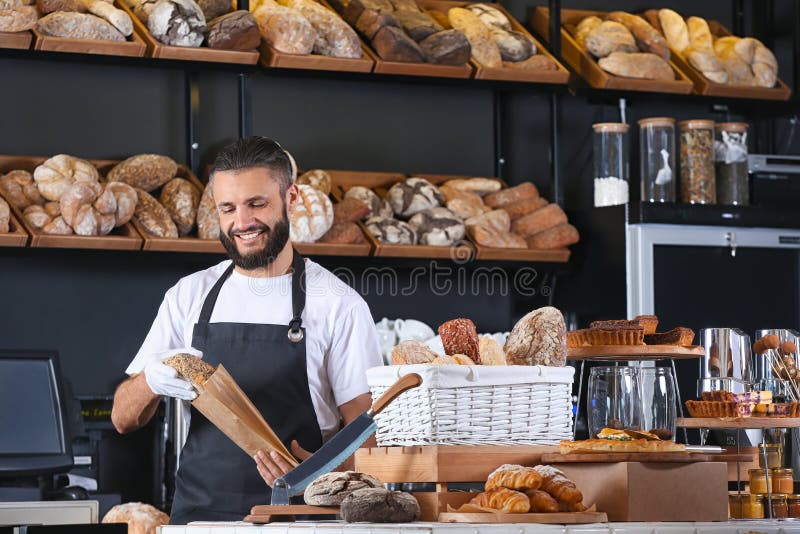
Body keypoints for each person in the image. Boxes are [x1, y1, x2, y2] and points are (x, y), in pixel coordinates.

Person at [110, 137, 383, 524]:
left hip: (299, 521)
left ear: (292, 198)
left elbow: (368, 439)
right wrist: (151, 381)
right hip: (199, 519)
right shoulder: (189, 295)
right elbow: (122, 418)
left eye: (257, 204)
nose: (242, 223)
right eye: (228, 208)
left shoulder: (339, 304)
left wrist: (322, 472)